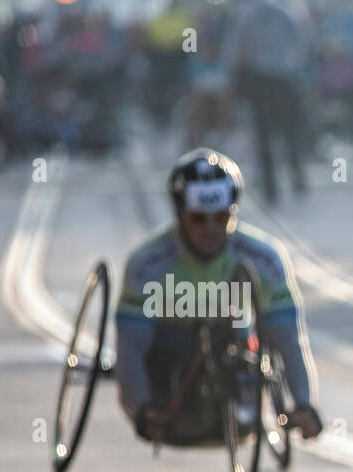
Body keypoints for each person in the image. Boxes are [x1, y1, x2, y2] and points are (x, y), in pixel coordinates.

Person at [114, 149, 323, 444]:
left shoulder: (265, 259)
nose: (210, 229)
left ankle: (245, 407)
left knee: (262, 337)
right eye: (199, 218)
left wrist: (303, 404)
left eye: (221, 217)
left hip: (231, 339)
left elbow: (289, 338)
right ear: (181, 216)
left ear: (232, 212)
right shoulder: (146, 264)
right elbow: (131, 347)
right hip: (168, 346)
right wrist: (140, 408)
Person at [221, 0, 310, 203]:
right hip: (286, 78)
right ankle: (298, 180)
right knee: (290, 131)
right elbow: (302, 44)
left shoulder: (246, 13)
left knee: (263, 134)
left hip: (260, 78)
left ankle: (271, 188)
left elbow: (237, 50)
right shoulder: (288, 12)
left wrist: (232, 79)